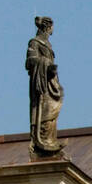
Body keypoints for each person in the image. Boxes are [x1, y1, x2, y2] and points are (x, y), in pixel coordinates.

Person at [26, 16, 65, 155]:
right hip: (41, 84)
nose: (52, 30)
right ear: (47, 27)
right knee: (44, 110)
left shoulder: (48, 43)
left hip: (51, 82)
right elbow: (30, 61)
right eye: (52, 28)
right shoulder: (34, 42)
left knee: (53, 108)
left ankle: (50, 139)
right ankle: (42, 139)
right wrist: (46, 64)